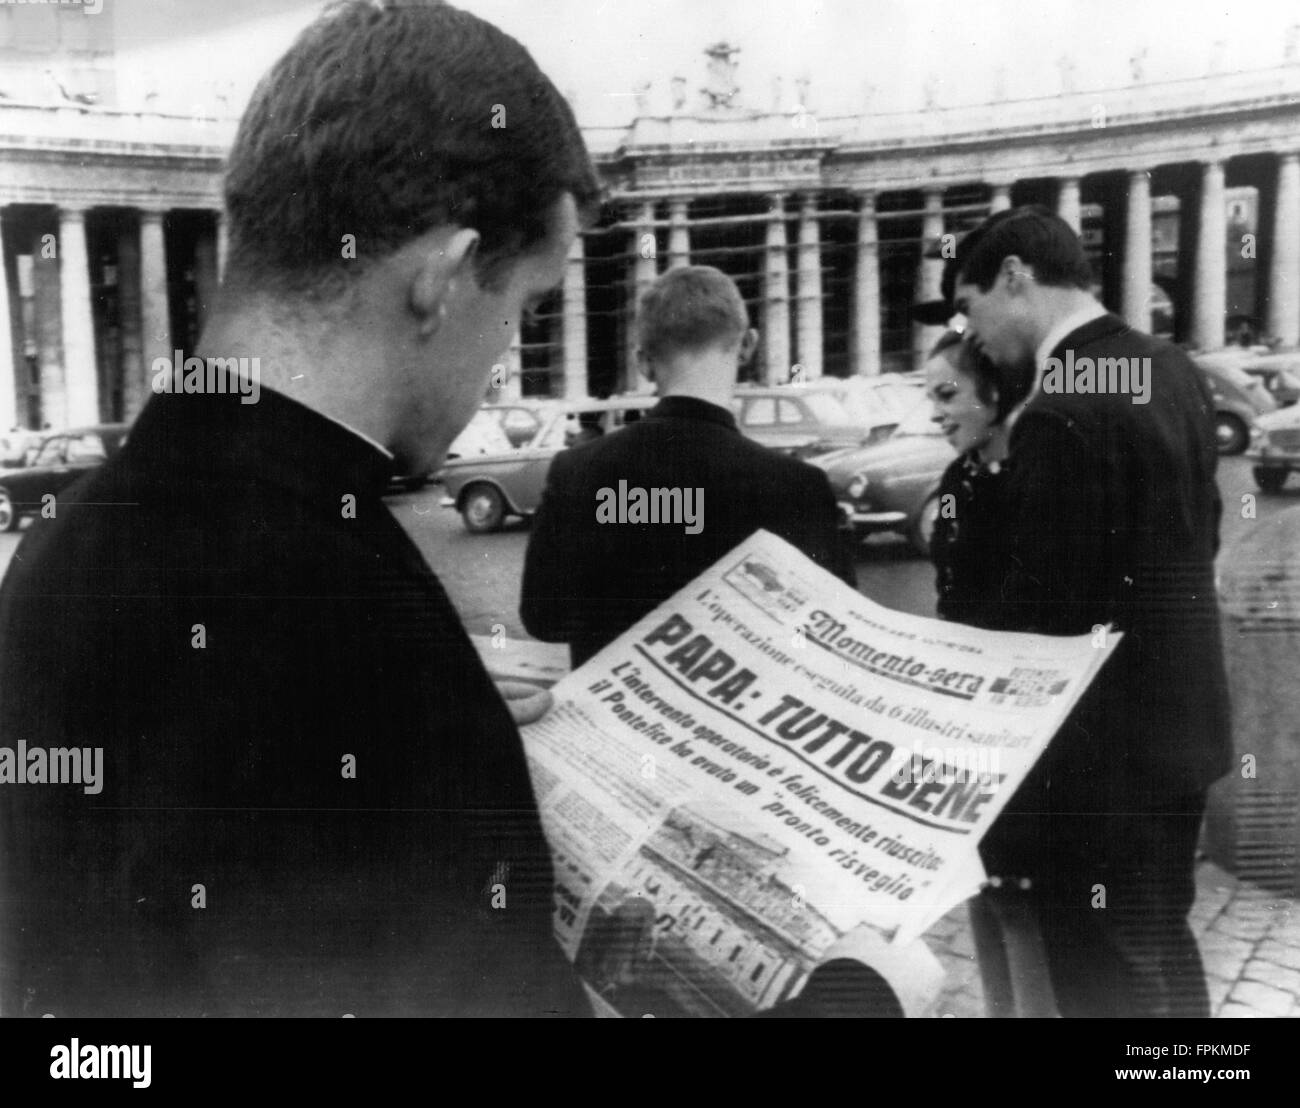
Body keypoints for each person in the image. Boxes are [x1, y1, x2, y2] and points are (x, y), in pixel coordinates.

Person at [0, 0, 600, 1018]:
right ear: (444, 281)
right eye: (523, 308)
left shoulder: (64, 540)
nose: (505, 355)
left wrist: (419, 709)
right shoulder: (362, 636)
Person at [938, 204, 1233, 1018]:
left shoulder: (1059, 406)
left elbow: (1040, 611)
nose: (975, 334)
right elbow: (1201, 530)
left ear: (1013, 276)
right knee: (1163, 944)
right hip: (1182, 730)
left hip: (1100, 764)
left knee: (1106, 976)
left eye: (972, 306)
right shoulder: (1169, 366)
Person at [520, 264, 853, 669]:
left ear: (643, 362)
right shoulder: (798, 486)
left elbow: (544, 619)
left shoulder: (576, 471)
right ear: (748, 345)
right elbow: (834, 633)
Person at [922, 330, 1032, 630]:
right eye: (931, 400)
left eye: (947, 395)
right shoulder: (955, 479)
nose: (934, 414)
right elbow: (944, 536)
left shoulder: (1042, 477)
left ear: (995, 390)